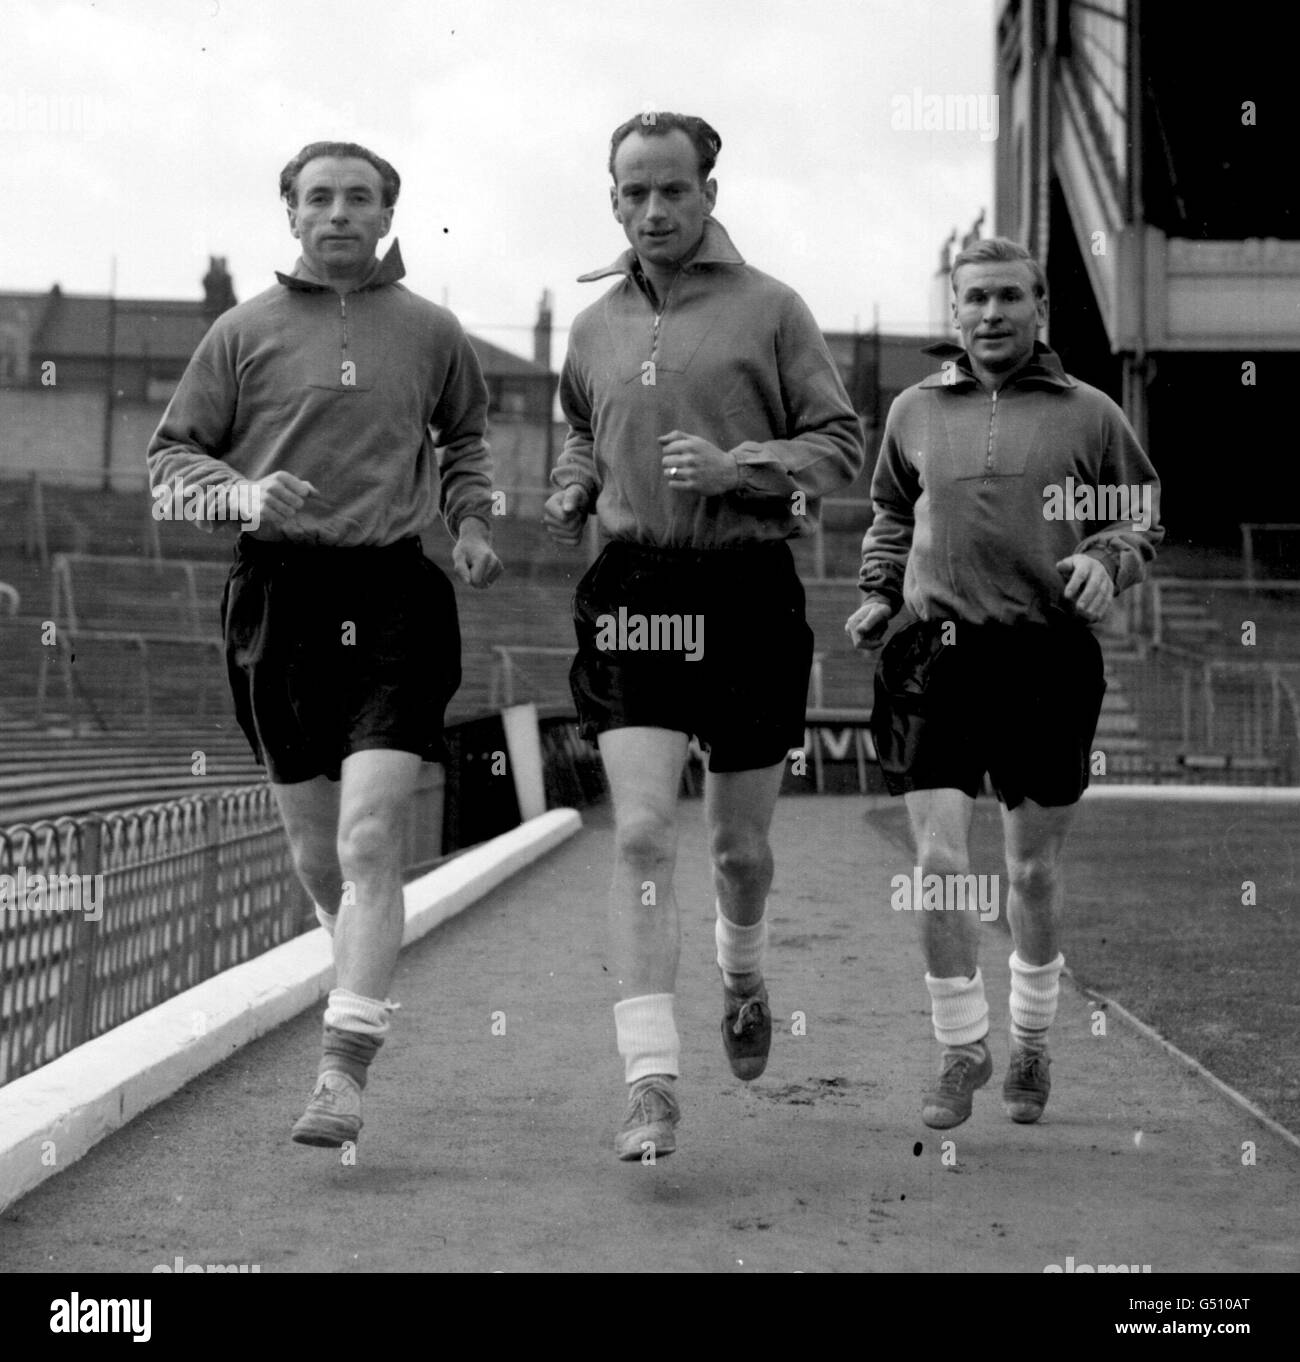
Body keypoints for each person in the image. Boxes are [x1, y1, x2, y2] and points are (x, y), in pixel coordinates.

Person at [147, 141, 502, 1147]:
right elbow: (169, 464)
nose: (339, 213)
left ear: (389, 214)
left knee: (371, 834)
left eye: (360, 198)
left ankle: (342, 1071)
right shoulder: (240, 331)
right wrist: (243, 491)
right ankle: (355, 957)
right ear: (290, 215)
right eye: (319, 198)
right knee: (318, 852)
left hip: (394, 592)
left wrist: (473, 525)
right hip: (277, 597)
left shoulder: (433, 331)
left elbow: (465, 438)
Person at [545, 111, 864, 1160]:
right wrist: (573, 481)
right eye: (631, 192)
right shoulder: (590, 326)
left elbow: (839, 447)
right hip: (634, 588)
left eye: (670, 190)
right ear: (612, 198)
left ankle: (742, 973)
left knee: (737, 849)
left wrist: (741, 467)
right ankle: (648, 1081)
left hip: (747, 590)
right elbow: (580, 433)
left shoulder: (773, 308)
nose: (651, 209)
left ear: (709, 194)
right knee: (640, 835)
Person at [846, 236, 1162, 1129]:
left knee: (1030, 871)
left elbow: (1140, 516)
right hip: (932, 658)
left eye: (1009, 298)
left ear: (1039, 310)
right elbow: (892, 511)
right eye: (975, 298)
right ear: (954, 312)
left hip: (1046, 658)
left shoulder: (1090, 413)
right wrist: (878, 592)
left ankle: (1030, 1041)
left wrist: (1109, 558)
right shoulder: (912, 409)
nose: (991, 313)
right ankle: (960, 1047)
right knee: (940, 864)